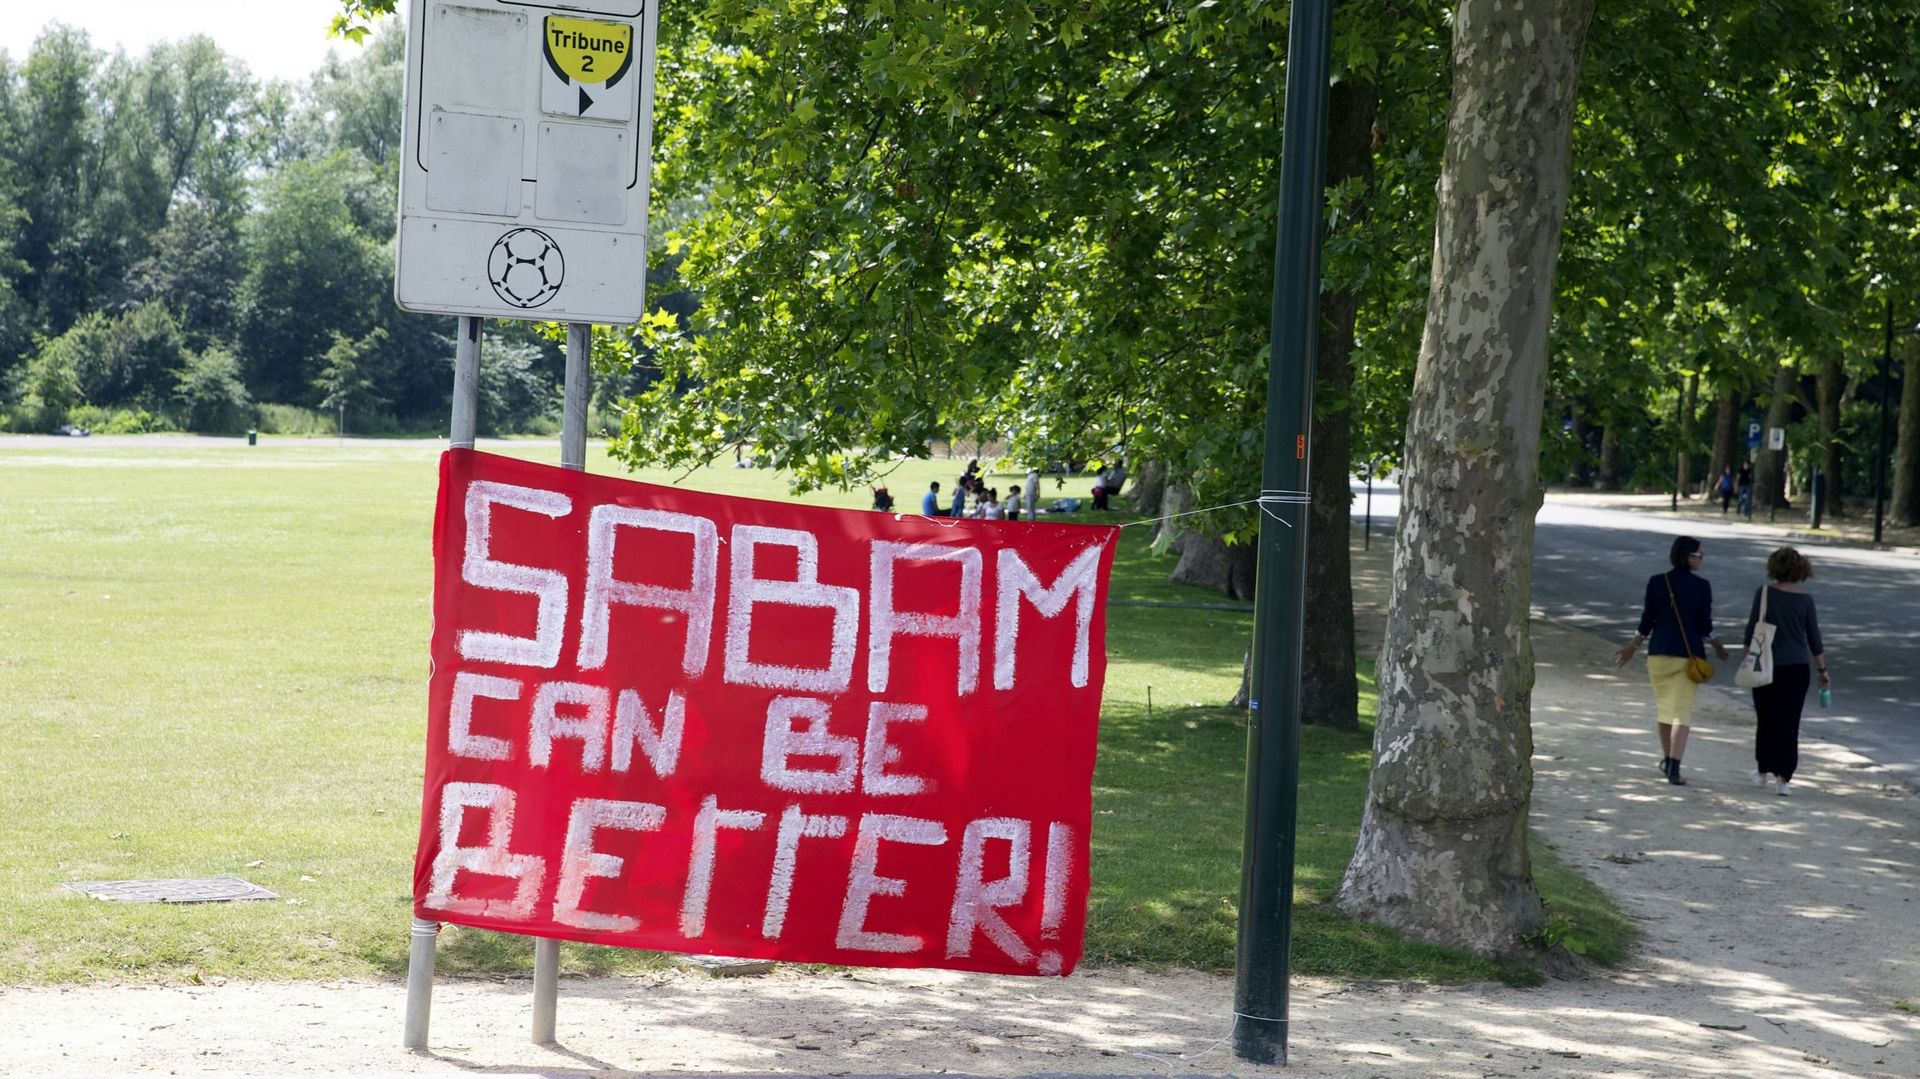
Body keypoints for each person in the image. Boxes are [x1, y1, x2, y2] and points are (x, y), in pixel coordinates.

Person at [1615, 535, 1730, 786]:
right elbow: (1704, 626)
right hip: (1687, 659)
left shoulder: (1658, 582)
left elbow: (1647, 620)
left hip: (1658, 655)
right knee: (1682, 713)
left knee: (1666, 709)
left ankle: (1667, 759)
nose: (1702, 559)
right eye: (1700, 555)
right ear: (1688, 557)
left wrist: (1632, 647)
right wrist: (1718, 647)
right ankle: (1675, 768)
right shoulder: (1702, 586)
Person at [1743, 547, 1828, 797]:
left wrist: (1747, 657)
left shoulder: (1764, 593)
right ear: (1801, 569)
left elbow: (1751, 630)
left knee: (1766, 718)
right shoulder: (1805, 600)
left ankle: (1762, 771)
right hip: (1797, 668)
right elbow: (1814, 638)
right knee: (1790, 722)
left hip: (1766, 664)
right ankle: (1784, 779)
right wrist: (1823, 669)